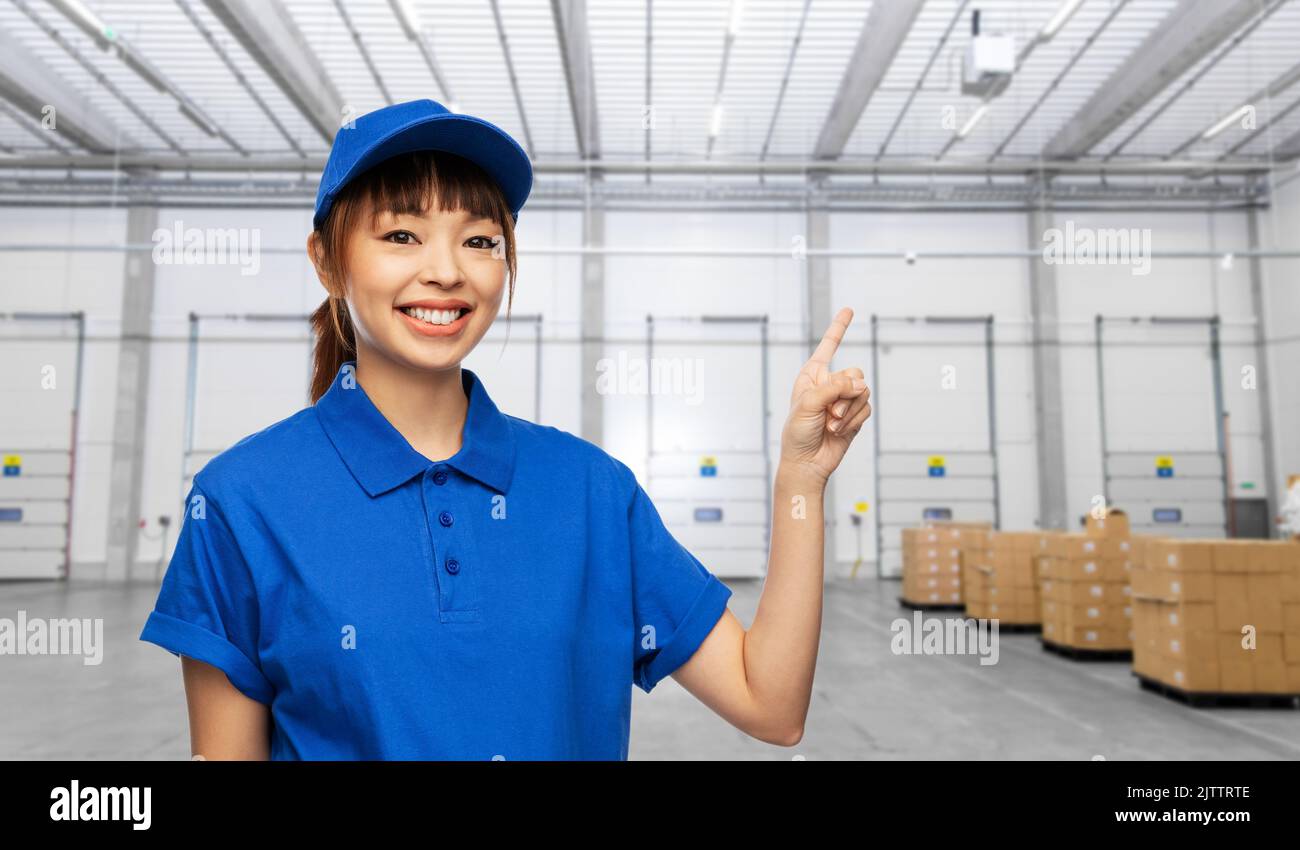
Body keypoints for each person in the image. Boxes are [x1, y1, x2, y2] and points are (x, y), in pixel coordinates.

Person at [139, 99, 871, 760]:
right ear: (327, 261)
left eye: (480, 242)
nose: (446, 271)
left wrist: (801, 481)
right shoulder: (240, 502)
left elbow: (770, 706)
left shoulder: (590, 492)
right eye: (401, 234)